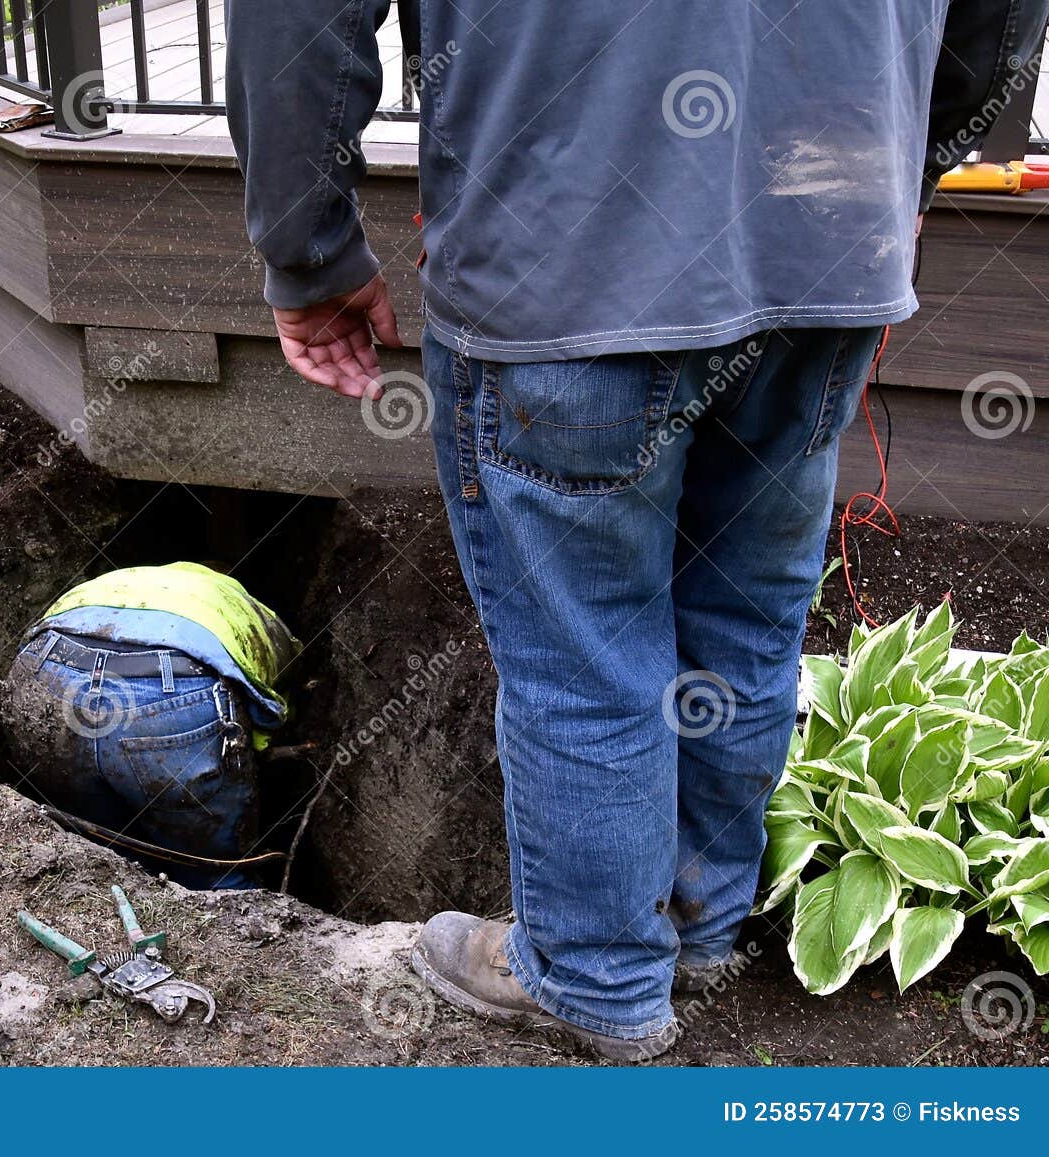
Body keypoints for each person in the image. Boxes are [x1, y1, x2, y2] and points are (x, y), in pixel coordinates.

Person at [226, 0, 1049, 1059]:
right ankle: (700, 932)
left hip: (561, 252)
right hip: (826, 238)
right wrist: (907, 160)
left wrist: (307, 249)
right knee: (744, 624)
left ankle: (596, 976)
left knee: (583, 651)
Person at [3, 562, 300, 889]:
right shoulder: (257, 620)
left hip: (51, 676)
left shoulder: (112, 582)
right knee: (215, 879)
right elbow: (269, 713)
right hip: (169, 692)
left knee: (95, 847)